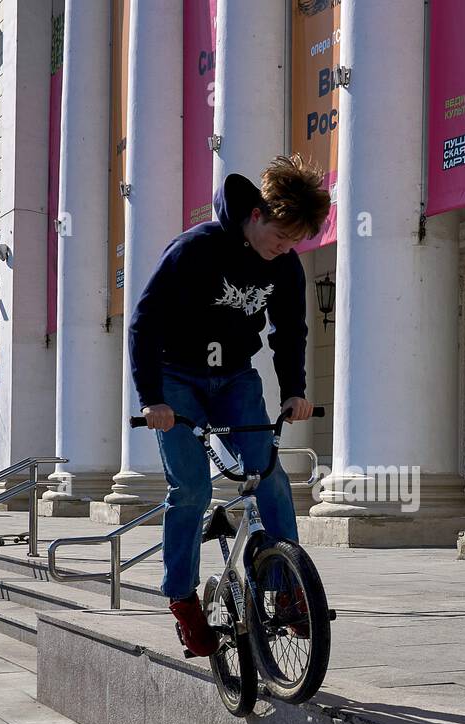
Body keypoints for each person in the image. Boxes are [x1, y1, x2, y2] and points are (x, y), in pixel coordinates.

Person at [128, 154, 330, 656]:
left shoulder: (285, 266)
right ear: (258, 215)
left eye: (294, 243)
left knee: (270, 476)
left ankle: (288, 591)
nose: (284, 250)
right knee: (191, 486)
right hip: (177, 378)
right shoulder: (194, 249)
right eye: (281, 238)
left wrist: (294, 391)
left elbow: (290, 332)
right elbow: (144, 325)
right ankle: (182, 598)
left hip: (236, 376)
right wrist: (151, 398)